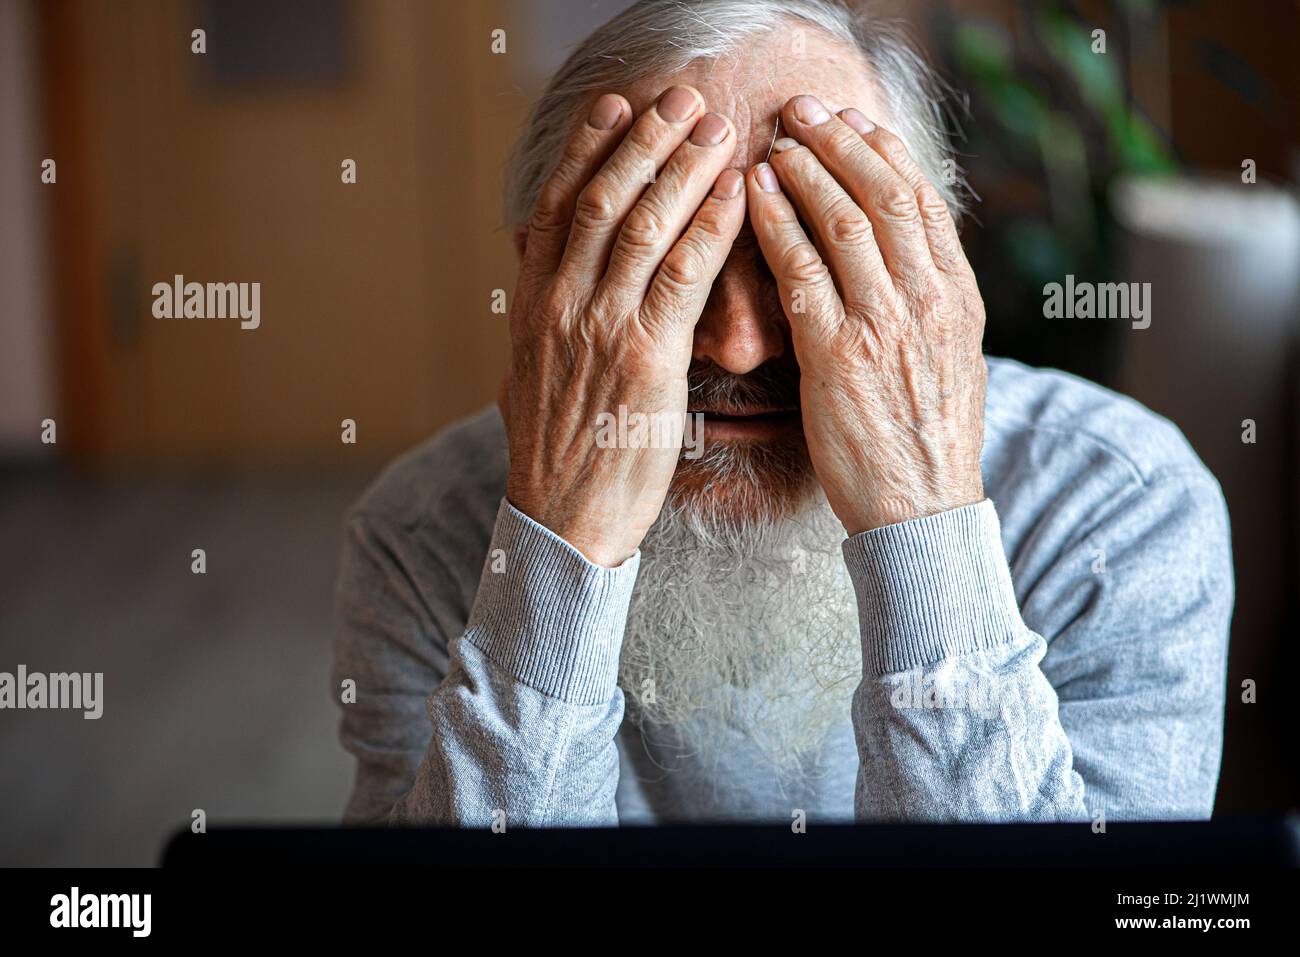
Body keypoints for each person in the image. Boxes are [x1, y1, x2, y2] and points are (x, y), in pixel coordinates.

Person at [332, 0, 1232, 827]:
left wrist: (922, 516)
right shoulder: (422, 536)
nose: (738, 344)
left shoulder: (1122, 508)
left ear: (929, 274)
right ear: (542, 288)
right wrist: (561, 540)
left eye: (806, 255)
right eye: (668, 260)